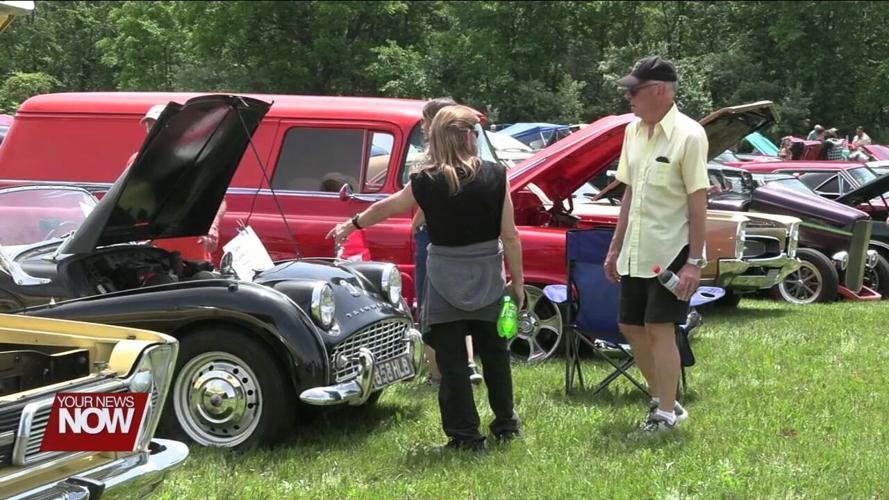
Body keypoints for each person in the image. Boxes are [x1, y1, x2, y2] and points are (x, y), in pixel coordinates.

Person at [326, 105, 523, 450]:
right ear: (470, 138)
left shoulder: (424, 181)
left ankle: (466, 437)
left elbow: (387, 207)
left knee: (452, 364)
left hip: (443, 279)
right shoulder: (496, 175)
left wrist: (351, 224)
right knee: (496, 356)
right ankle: (506, 426)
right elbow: (510, 236)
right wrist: (517, 282)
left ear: (437, 138)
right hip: (488, 277)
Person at [606, 56, 709, 432]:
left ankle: (665, 414)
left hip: (672, 250)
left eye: (634, 91)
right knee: (630, 326)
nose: (629, 98)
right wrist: (614, 247)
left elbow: (698, 202)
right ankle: (666, 399)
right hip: (637, 249)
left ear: (660, 91)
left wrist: (694, 262)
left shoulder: (689, 134)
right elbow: (630, 193)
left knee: (659, 326)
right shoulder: (632, 132)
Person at [414, 97, 483, 387]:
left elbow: (422, 203)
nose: (422, 126)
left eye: (425, 120)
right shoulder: (471, 157)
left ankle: (437, 374)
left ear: (435, 123)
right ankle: (468, 364)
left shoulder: (431, 160)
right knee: (461, 303)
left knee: (430, 305)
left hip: (432, 236)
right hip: (466, 238)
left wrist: (415, 223)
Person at [128, 104, 227, 263]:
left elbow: (218, 200)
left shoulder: (196, 159)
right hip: (154, 254)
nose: (154, 132)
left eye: (160, 126)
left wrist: (212, 225)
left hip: (193, 253)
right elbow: (129, 204)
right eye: (150, 127)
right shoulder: (137, 161)